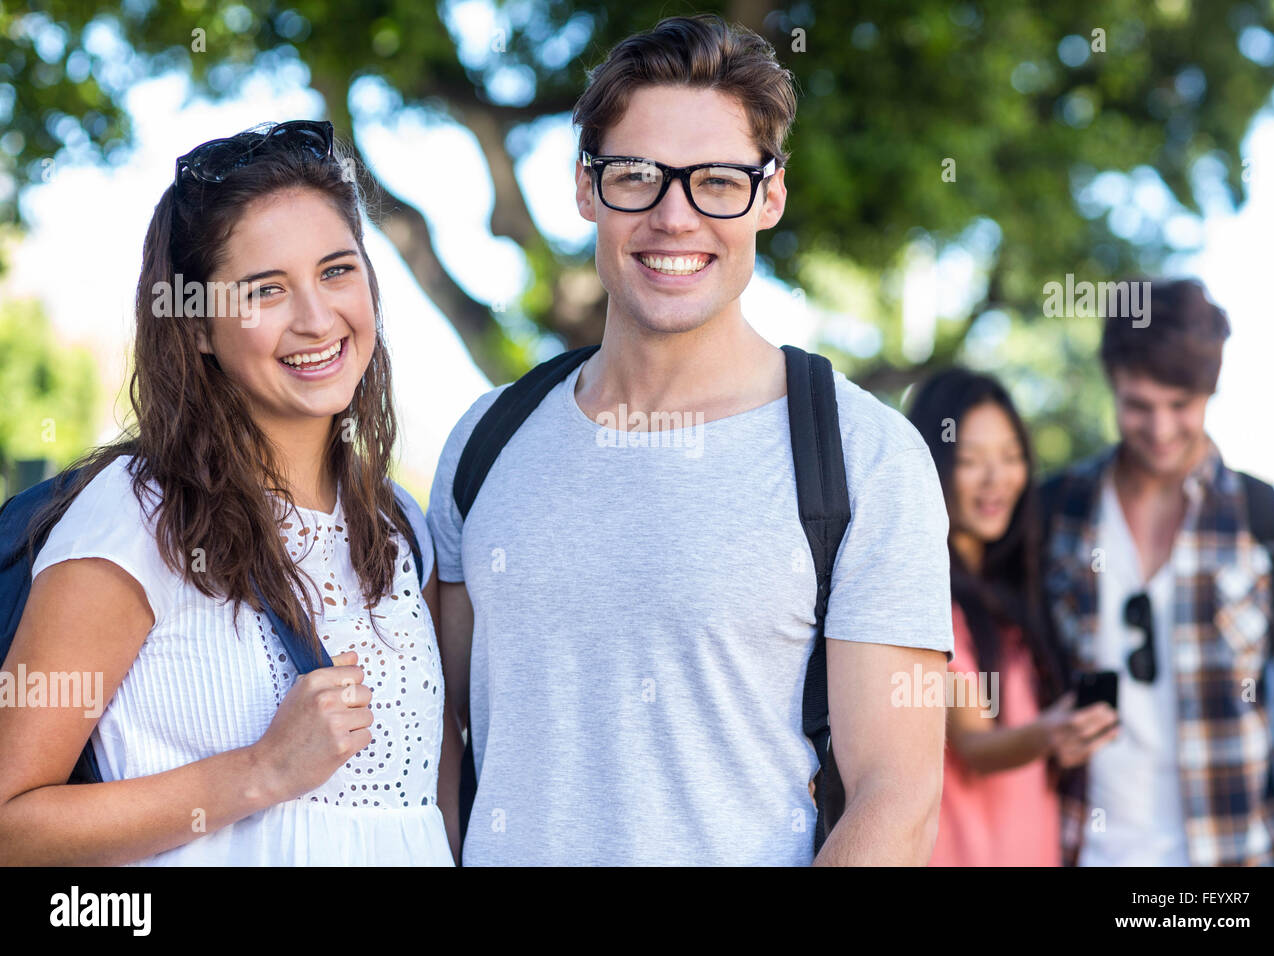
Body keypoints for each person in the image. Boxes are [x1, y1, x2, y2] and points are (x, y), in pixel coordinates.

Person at [428, 14, 954, 866]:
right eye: (637, 175)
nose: (675, 217)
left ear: (769, 195)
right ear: (587, 189)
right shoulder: (487, 440)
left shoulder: (865, 457)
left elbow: (898, 802)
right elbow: (436, 728)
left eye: (716, 181)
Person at [0, 121, 455, 865]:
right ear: (199, 326)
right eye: (265, 289)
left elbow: (429, 803)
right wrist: (260, 772)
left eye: (337, 271)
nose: (316, 318)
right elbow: (9, 823)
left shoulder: (399, 524)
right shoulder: (136, 516)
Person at [1041, 278, 1274, 866]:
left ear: (1211, 391)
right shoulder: (1057, 512)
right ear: (1111, 386)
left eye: (1180, 406)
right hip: (1081, 849)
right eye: (1138, 405)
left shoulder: (1268, 522)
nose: (1159, 430)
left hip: (1234, 860)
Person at [908, 368, 1119, 866]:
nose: (995, 479)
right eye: (970, 461)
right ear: (932, 462)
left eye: (1010, 457)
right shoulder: (925, 592)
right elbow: (975, 744)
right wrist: (1049, 732)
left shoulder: (1012, 596)